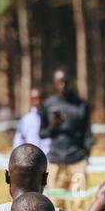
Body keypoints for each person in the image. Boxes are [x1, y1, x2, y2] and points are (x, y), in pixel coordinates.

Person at [40, 69, 93, 199]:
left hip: (77, 161)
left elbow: (88, 133)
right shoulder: (48, 105)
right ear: (54, 83)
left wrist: (86, 157)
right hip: (55, 162)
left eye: (65, 82)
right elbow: (42, 133)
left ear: (70, 83)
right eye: (59, 82)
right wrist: (53, 126)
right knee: (56, 204)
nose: (62, 85)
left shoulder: (81, 105)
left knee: (79, 203)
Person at [13, 88, 50, 153]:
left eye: (38, 97)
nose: (37, 100)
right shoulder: (26, 119)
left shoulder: (50, 117)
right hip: (30, 158)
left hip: (48, 158)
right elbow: (19, 139)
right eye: (33, 98)